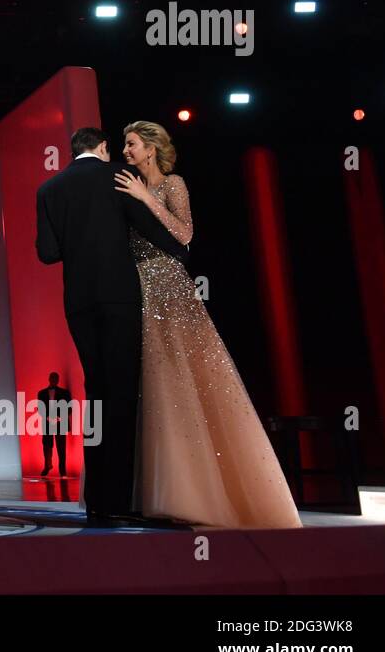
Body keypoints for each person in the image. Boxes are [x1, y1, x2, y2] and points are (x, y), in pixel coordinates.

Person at [116, 121, 301, 528]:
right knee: (151, 382)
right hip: (138, 287)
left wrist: (147, 197)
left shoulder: (173, 184)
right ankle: (148, 489)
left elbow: (185, 235)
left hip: (171, 287)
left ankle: (200, 492)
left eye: (130, 144)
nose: (125, 151)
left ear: (150, 149)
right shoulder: (123, 188)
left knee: (187, 377)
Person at [35, 126, 187, 523]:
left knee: (96, 393)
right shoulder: (118, 175)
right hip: (120, 296)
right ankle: (115, 501)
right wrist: (179, 248)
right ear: (102, 148)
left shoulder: (48, 190)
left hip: (79, 302)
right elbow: (152, 229)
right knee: (120, 394)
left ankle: (97, 501)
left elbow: (47, 253)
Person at [36, 373, 72, 478]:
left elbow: (69, 408)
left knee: (61, 447)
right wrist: (47, 417)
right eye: (53, 378)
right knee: (47, 445)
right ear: (49, 379)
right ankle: (48, 466)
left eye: (56, 378)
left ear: (58, 380)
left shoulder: (65, 393)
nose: (54, 380)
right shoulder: (41, 393)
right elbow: (40, 408)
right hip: (48, 422)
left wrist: (60, 417)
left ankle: (62, 470)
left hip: (60, 422)